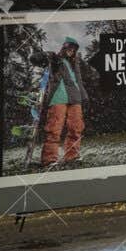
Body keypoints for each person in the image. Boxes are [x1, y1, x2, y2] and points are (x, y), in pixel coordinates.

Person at [38, 36, 88, 168]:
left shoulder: (75, 64)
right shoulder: (56, 60)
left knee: (76, 128)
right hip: (58, 97)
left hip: (75, 98)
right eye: (69, 48)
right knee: (54, 128)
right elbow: (37, 59)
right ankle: (49, 159)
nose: (71, 51)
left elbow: (79, 81)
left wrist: (84, 97)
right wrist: (43, 56)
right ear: (64, 47)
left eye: (74, 49)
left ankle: (72, 156)